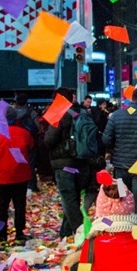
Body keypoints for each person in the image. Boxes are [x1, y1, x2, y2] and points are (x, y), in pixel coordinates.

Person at [45, 89, 94, 239]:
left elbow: (49, 140)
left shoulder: (58, 112)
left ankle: (81, 232)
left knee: (68, 198)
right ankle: (65, 232)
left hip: (64, 163)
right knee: (74, 197)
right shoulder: (81, 112)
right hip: (80, 162)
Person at [102, 87, 137, 210]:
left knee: (121, 199)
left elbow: (106, 140)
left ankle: (124, 228)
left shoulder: (116, 116)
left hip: (120, 166)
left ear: (131, 98)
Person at [0, 107, 34, 242]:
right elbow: (31, 146)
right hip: (20, 175)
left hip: (1, 175)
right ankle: (19, 232)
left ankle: (2, 234)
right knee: (19, 205)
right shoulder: (24, 133)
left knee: (2, 206)